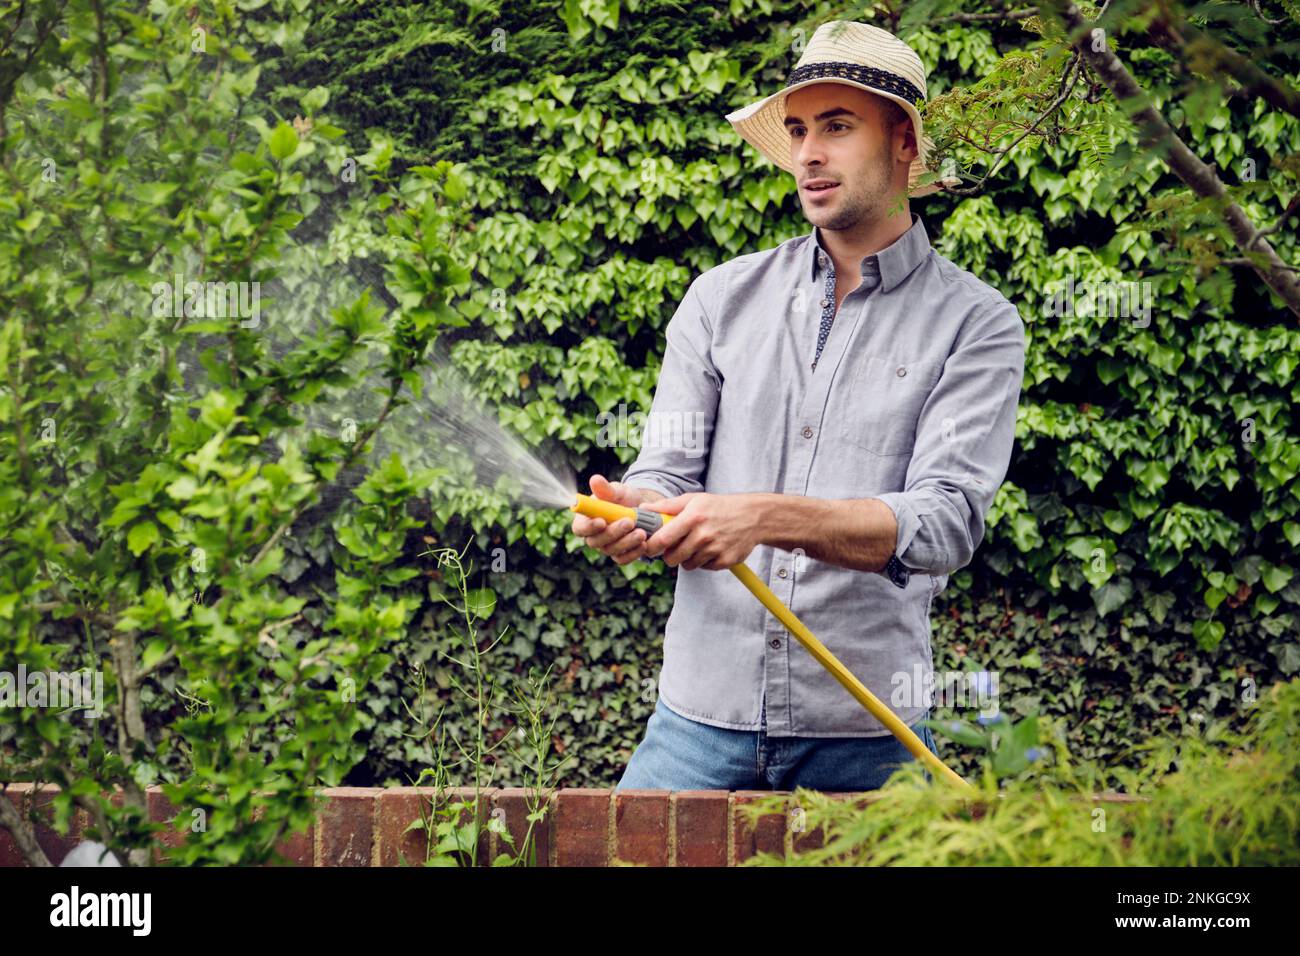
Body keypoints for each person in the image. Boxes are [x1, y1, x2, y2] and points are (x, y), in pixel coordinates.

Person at [571, 21, 1026, 792]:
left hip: (867, 736)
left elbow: (945, 522)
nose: (808, 153)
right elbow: (668, 472)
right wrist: (635, 512)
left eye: (838, 128)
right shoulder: (720, 299)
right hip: (697, 723)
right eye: (798, 129)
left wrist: (768, 517)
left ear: (905, 143)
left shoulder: (976, 323)